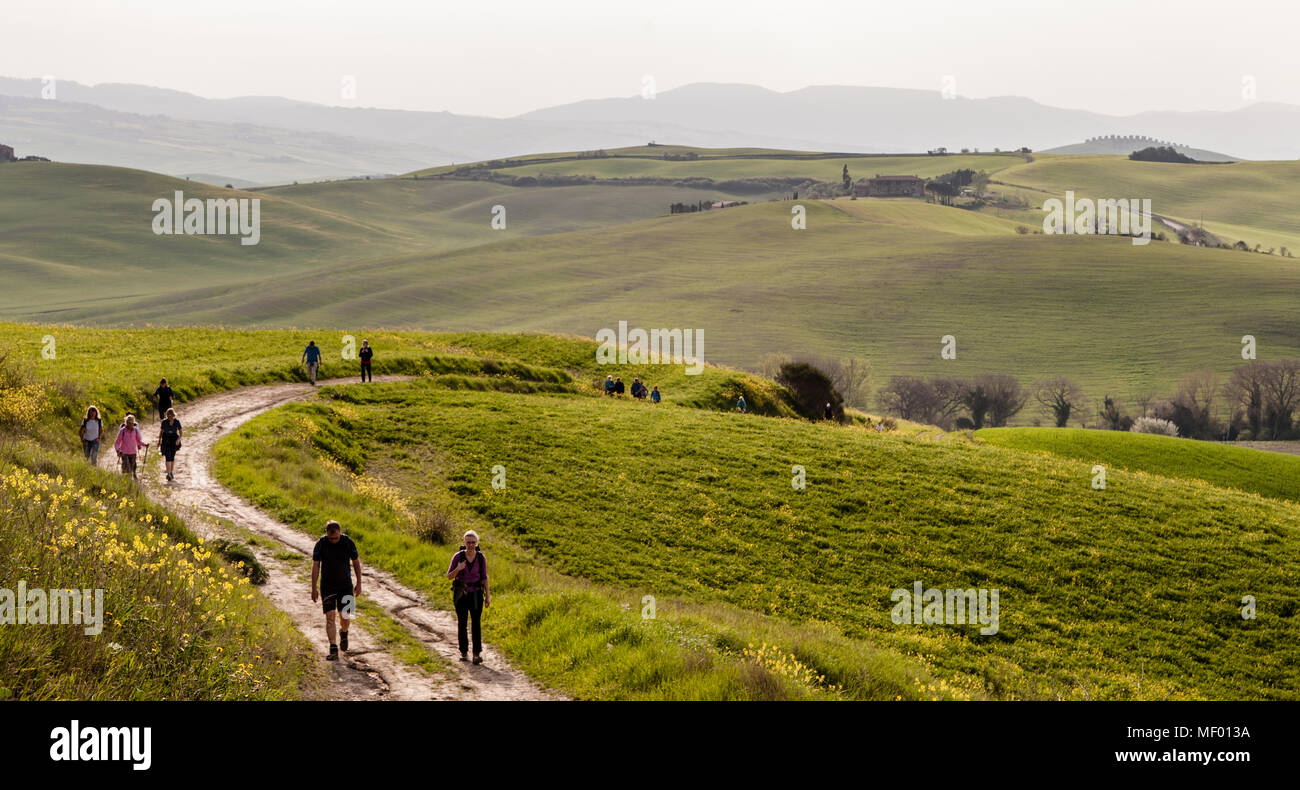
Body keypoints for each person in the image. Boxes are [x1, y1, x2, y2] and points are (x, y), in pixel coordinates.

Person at [311, 520, 362, 661]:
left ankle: (344, 632)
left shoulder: (348, 542)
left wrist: (359, 583)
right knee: (330, 616)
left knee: (345, 616)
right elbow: (316, 566)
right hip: (327, 586)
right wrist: (313, 587)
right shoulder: (321, 544)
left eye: (335, 538)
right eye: (331, 538)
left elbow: (356, 563)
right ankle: (333, 648)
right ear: (327, 534)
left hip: (345, 585)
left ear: (340, 532)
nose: (333, 540)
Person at [446, 530, 490, 664]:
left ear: (476, 543)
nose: (470, 545)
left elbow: (484, 578)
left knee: (476, 623)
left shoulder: (481, 558)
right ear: (464, 543)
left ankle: (476, 654)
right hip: (461, 594)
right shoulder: (457, 557)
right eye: (468, 542)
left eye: (473, 542)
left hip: (476, 594)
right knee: (462, 623)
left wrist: (488, 596)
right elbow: (449, 576)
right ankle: (464, 652)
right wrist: (458, 568)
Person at [113, 414, 149, 479]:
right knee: (126, 468)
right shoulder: (123, 431)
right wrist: (118, 450)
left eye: (132, 423)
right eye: (129, 423)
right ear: (126, 423)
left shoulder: (135, 430)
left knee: (133, 467)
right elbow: (117, 442)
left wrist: (145, 444)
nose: (130, 424)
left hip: (133, 452)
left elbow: (138, 441)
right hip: (124, 452)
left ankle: (130, 478)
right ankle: (126, 481)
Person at [157, 408, 183, 481]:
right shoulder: (164, 422)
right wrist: (159, 441)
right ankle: (168, 473)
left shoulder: (177, 422)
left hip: (174, 441)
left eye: (171, 416)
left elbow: (181, 432)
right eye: (168, 416)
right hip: (166, 440)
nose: (169, 418)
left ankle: (171, 472)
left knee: (172, 456)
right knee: (167, 456)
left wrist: (178, 440)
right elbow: (161, 432)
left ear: (173, 415)